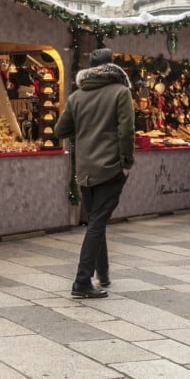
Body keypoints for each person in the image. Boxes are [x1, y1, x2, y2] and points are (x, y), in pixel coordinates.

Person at [53, 48, 134, 298]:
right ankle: (82, 282)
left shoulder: (76, 97)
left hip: (85, 169)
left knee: (95, 221)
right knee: (98, 223)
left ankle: (104, 273)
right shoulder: (121, 92)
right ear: (112, 67)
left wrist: (84, 132)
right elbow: (126, 131)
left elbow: (60, 130)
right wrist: (126, 162)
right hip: (110, 168)